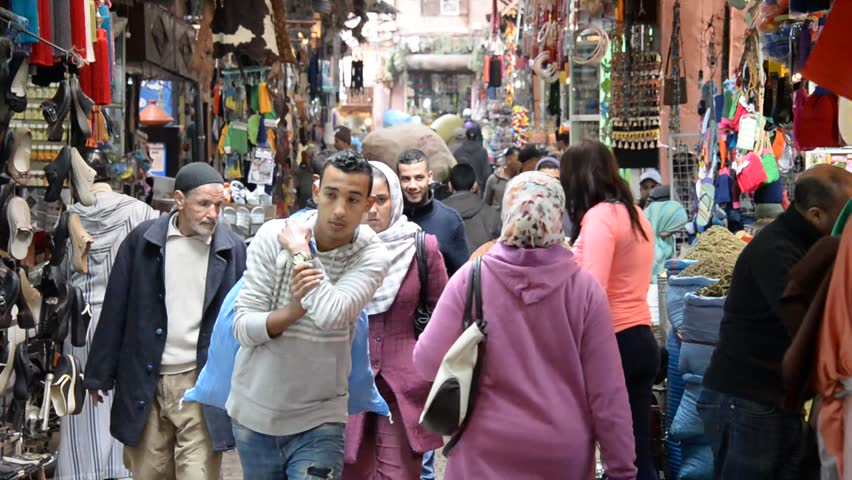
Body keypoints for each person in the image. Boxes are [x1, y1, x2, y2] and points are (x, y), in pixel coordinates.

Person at [413, 172, 637, 479]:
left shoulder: (471, 279)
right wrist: (622, 469)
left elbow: (425, 363)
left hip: (483, 451)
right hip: (563, 454)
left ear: (507, 214)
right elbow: (608, 395)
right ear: (559, 217)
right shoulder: (584, 290)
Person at [229, 151, 391, 480]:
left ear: (369, 204)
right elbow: (243, 328)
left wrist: (301, 255)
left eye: (353, 199)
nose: (340, 210)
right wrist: (293, 312)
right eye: (331, 195)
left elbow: (332, 314)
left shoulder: (372, 255)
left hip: (321, 418)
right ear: (316, 190)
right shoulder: (272, 237)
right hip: (255, 413)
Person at [84, 162, 247, 480]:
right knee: (149, 472)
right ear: (179, 200)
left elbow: (241, 318)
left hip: (200, 383)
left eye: (218, 205)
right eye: (203, 204)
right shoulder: (143, 242)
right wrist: (99, 375)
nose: (212, 214)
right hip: (146, 379)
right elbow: (116, 307)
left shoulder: (231, 250)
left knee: (197, 473)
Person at [698, 164, 852, 480]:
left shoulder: (810, 246)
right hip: (748, 400)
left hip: (774, 400)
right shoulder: (778, 251)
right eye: (846, 215)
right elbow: (813, 326)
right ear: (816, 214)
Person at [55, 151, 160, 480]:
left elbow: (59, 273)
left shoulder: (69, 215)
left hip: (79, 320)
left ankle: (80, 471)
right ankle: (121, 469)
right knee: (123, 395)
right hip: (124, 318)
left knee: (79, 399)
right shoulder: (139, 212)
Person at [343, 162, 448, 479]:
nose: (373, 210)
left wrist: (425, 367)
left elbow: (442, 317)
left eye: (382, 199)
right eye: (364, 200)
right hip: (346, 390)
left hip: (403, 392)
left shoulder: (420, 248)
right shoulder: (338, 250)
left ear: (396, 201)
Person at [561, 140, 658, 480]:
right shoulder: (634, 213)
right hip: (640, 338)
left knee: (618, 456)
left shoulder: (600, 217)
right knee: (636, 452)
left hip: (615, 345)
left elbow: (592, 292)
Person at [397, 148, 469, 276]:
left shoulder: (450, 220)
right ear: (398, 180)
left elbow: (462, 276)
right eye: (406, 179)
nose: (412, 186)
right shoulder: (390, 219)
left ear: (429, 177)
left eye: (419, 178)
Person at [443, 164, 501, 254]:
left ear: (450, 186)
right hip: (482, 266)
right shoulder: (492, 215)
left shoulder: (438, 213)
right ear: (474, 186)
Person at [644, 194, 688, 283]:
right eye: (670, 228)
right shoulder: (641, 238)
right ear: (662, 220)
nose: (671, 234)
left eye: (674, 231)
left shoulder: (668, 240)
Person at [453, 124, 491, 196]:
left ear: (466, 137)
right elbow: (486, 173)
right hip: (477, 191)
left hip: (459, 191)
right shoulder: (482, 152)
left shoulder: (458, 152)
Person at [483, 146, 520, 212]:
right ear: (508, 160)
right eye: (518, 160)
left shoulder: (522, 180)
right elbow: (486, 204)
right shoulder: (494, 179)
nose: (520, 163)